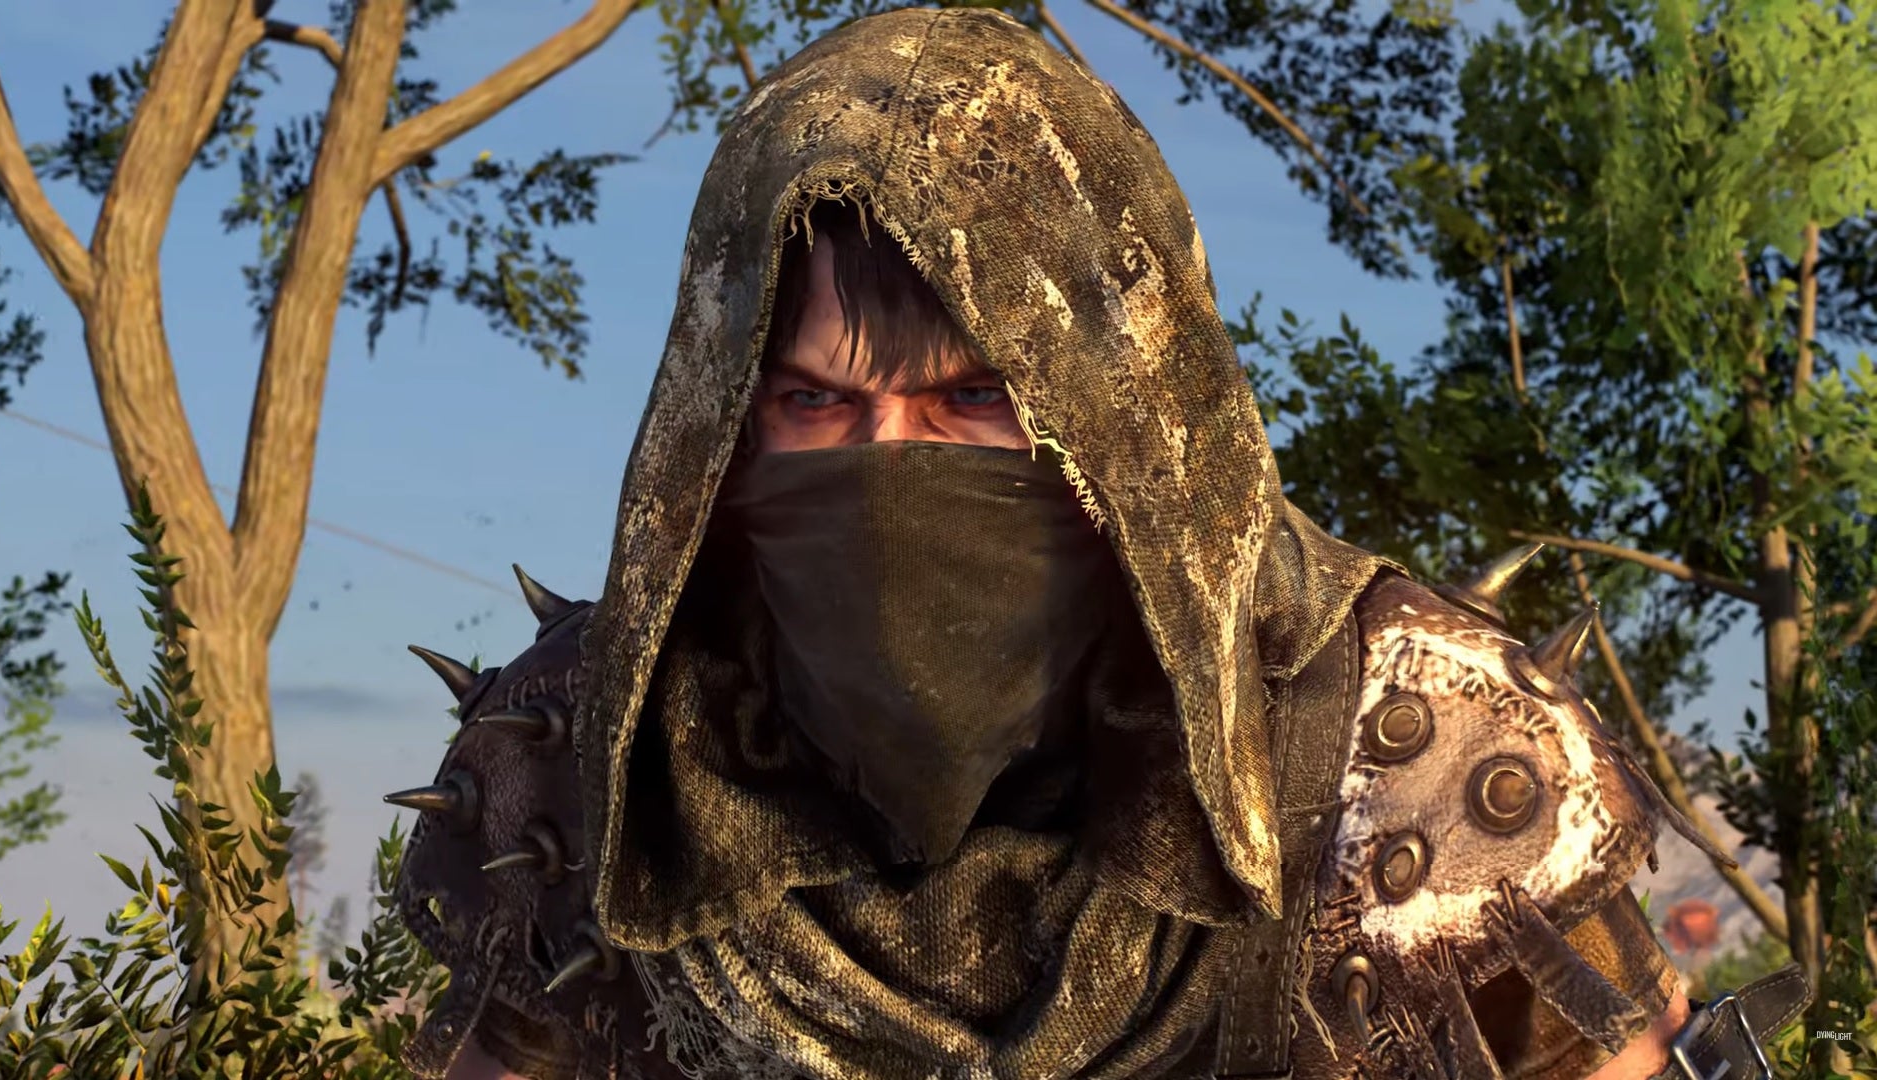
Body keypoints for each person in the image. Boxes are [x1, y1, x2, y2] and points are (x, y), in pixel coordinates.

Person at [384, 8, 1810, 1079]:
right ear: (721, 428)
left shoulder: (1416, 756)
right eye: (817, 404)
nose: (889, 469)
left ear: (1116, 426)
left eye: (970, 401)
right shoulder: (602, 770)